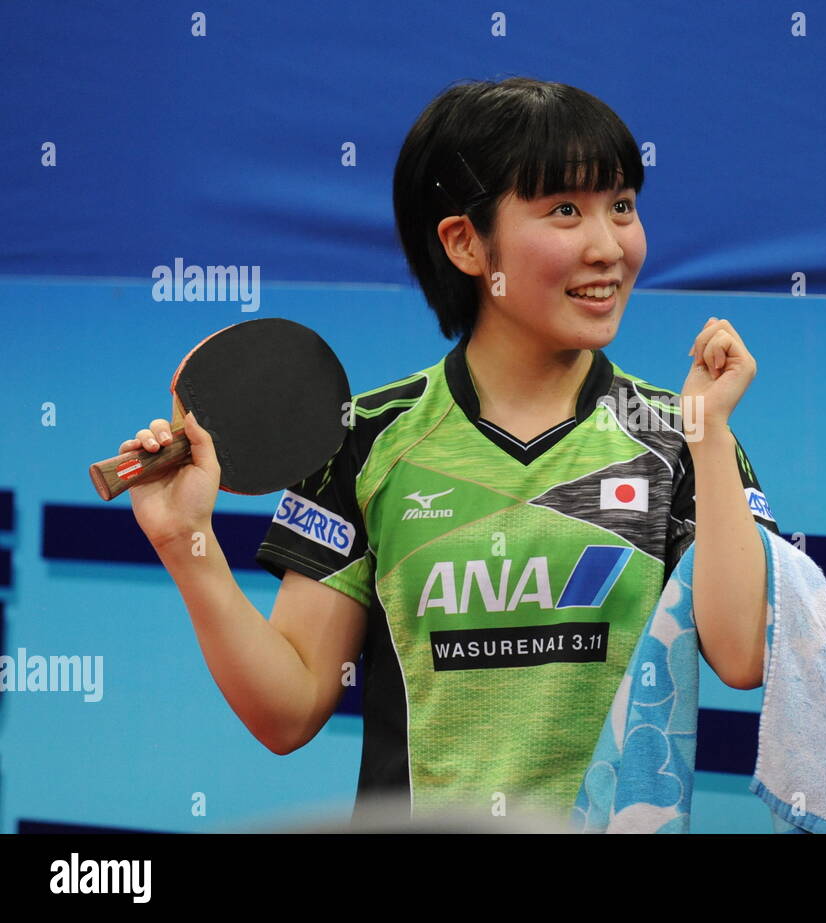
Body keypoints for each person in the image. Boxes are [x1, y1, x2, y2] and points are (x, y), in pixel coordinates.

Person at [123, 76, 781, 825]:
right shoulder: (365, 440)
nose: (609, 246)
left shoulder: (679, 438)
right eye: (565, 210)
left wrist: (711, 433)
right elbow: (289, 710)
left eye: (621, 206)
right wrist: (185, 541)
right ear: (466, 242)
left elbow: (742, 656)